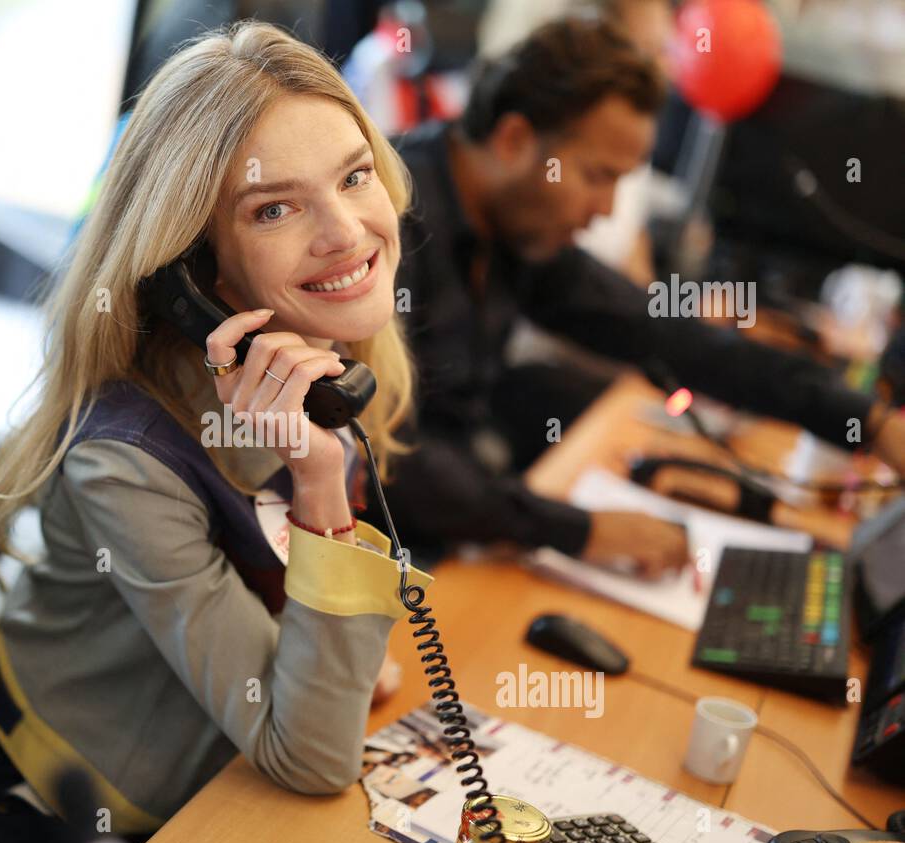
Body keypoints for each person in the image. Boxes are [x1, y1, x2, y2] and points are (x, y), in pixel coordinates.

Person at [0, 20, 431, 835]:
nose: (346, 232)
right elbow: (312, 758)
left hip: (226, 774)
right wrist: (321, 483)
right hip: (77, 812)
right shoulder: (127, 458)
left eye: (355, 177)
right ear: (195, 272)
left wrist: (321, 647)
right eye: (274, 207)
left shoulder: (321, 363)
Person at [371, 14, 905, 578]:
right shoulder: (385, 230)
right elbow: (393, 460)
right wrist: (584, 530)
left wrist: (868, 419)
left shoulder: (514, 227)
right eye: (598, 175)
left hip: (452, 535)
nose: (604, 209)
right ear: (514, 140)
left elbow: (664, 331)